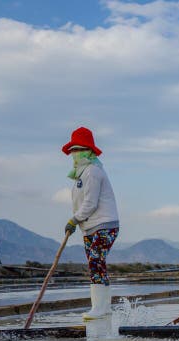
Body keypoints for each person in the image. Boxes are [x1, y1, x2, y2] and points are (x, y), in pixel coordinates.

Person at [62, 127, 120, 320]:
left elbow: (90, 203)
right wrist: (77, 221)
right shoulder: (80, 174)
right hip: (89, 227)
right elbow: (80, 202)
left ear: (88, 151)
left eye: (78, 150)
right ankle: (103, 307)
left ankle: (99, 308)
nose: (74, 154)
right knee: (96, 264)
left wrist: (73, 219)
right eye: (73, 150)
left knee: (96, 261)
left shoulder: (92, 171)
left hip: (104, 224)